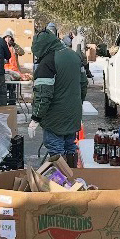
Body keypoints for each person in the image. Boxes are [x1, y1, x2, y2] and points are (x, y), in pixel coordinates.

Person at [30, 28, 88, 164]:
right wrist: (77, 104)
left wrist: (36, 118)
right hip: (73, 114)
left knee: (56, 150)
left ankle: (61, 177)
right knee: (70, 147)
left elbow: (43, 95)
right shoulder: (74, 56)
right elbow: (83, 84)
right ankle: (72, 174)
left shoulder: (47, 62)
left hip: (54, 118)